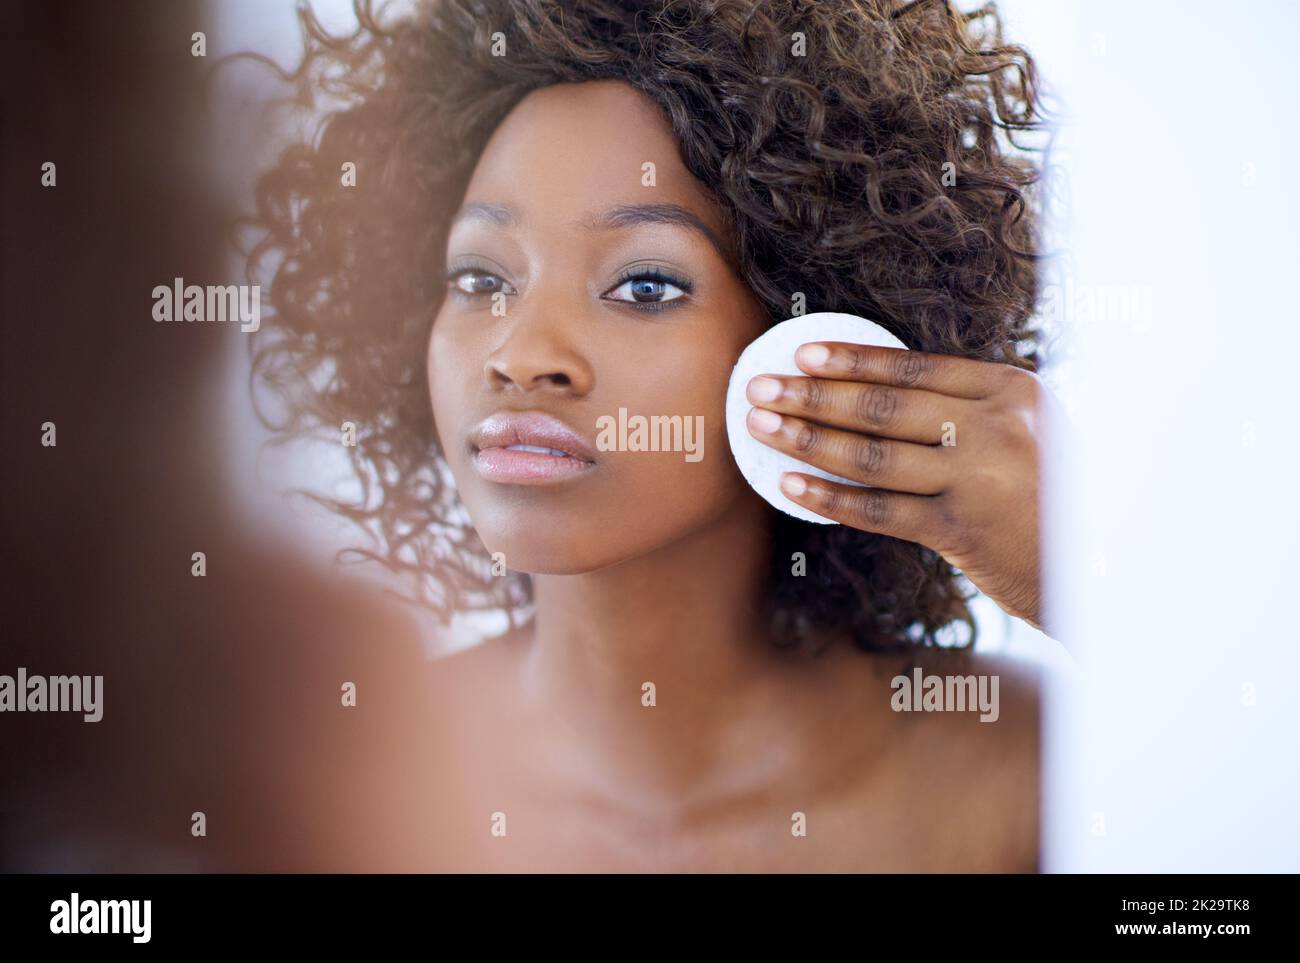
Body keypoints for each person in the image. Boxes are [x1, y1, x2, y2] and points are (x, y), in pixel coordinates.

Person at [244, 0, 1050, 871]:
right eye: (480, 277)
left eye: (645, 287)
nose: (521, 356)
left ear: (823, 340)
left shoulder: (1021, 773)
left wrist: (1073, 577)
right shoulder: (329, 785)